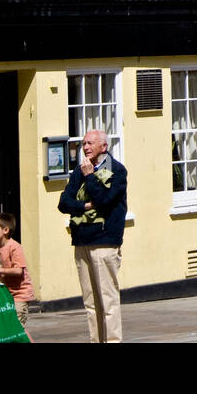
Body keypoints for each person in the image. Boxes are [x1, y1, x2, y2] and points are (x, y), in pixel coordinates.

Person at [58, 129, 128, 342]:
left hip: (104, 241)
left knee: (108, 300)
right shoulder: (79, 171)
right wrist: (86, 205)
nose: (85, 147)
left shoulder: (117, 171)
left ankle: (113, 341)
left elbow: (105, 201)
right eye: (83, 144)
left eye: (90, 143)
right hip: (82, 240)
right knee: (90, 302)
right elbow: (64, 203)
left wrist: (90, 176)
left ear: (103, 147)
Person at [0, 212, 35, 329]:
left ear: (5, 230)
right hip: (6, 293)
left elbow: (19, 271)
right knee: (7, 326)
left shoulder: (14, 247)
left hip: (20, 294)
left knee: (16, 327)